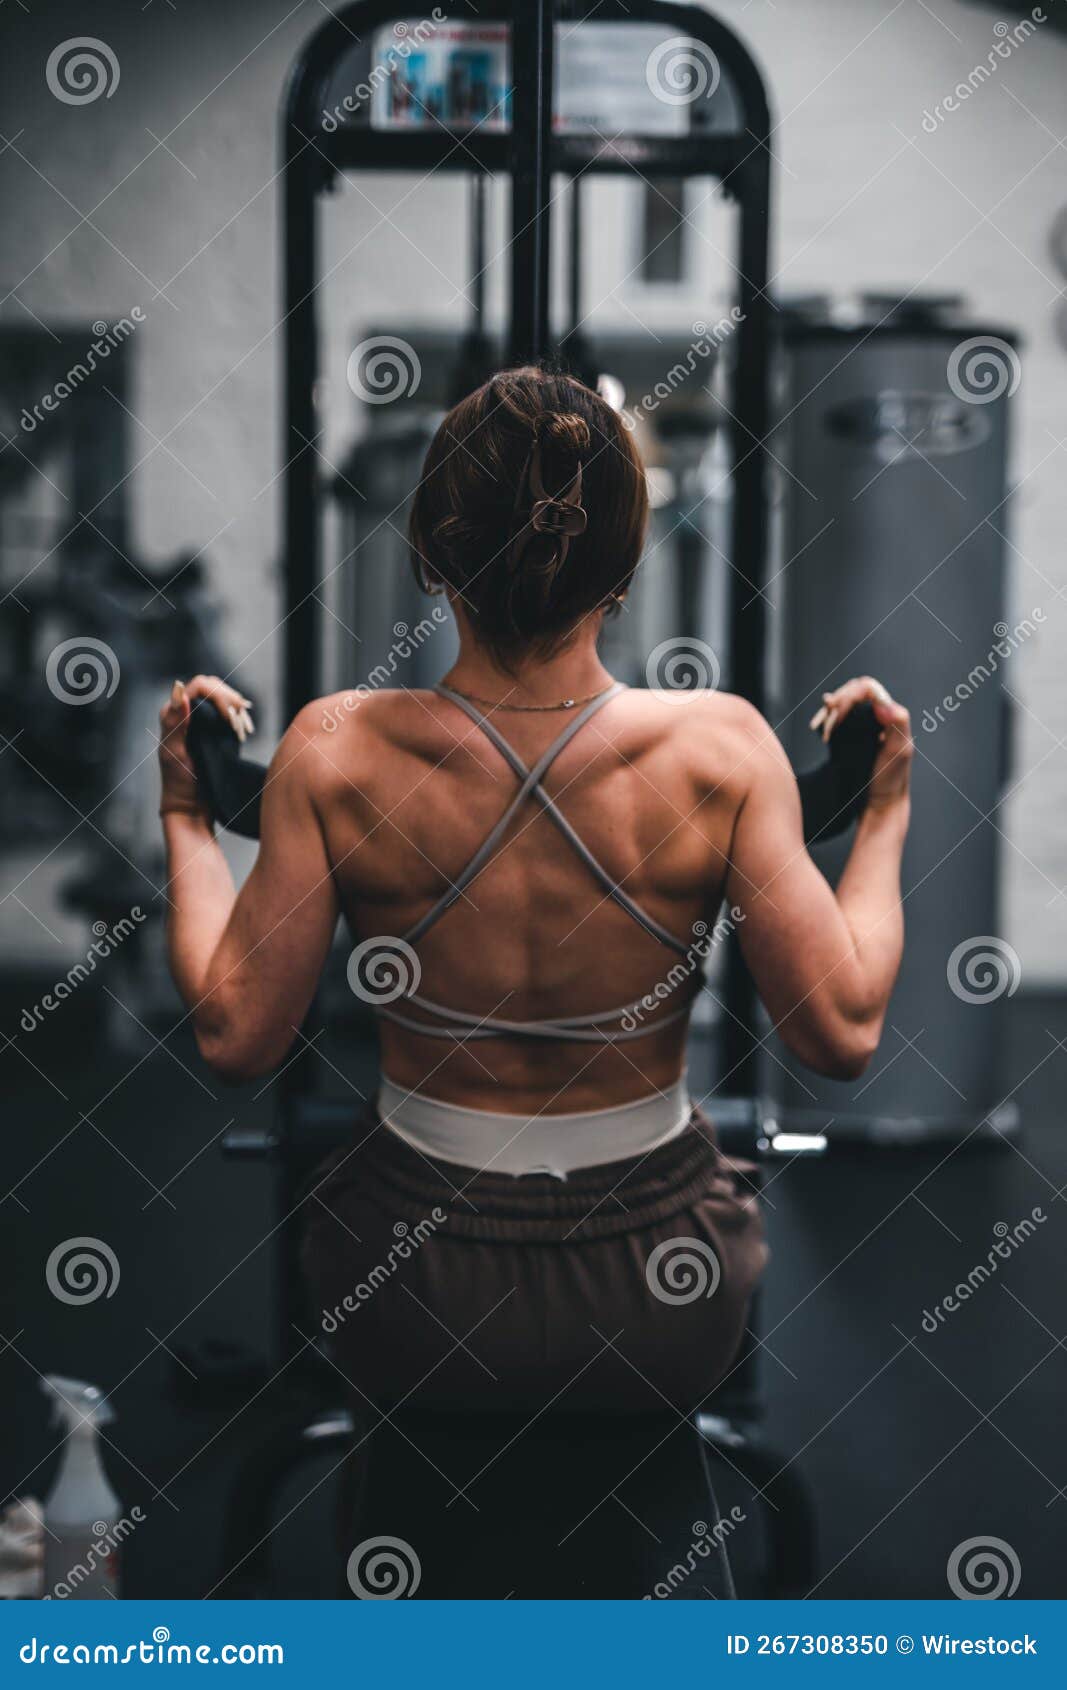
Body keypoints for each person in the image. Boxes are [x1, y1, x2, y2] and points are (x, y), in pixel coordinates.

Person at [157, 366, 912, 1426]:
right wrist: (881, 806)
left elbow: (236, 1037)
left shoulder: (334, 749)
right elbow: (840, 1032)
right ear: (625, 561)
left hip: (412, 1288)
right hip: (660, 1290)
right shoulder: (723, 749)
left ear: (426, 552)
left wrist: (187, 815)